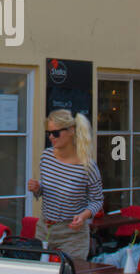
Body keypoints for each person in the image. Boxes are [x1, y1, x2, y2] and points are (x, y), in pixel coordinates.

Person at [27, 109, 103, 262]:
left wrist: (83, 216)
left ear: (71, 131)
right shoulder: (46, 157)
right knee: (39, 273)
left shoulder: (87, 166)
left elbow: (97, 200)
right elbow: (47, 190)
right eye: (48, 133)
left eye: (55, 133)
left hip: (72, 234)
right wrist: (37, 189)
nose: (51, 137)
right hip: (45, 227)